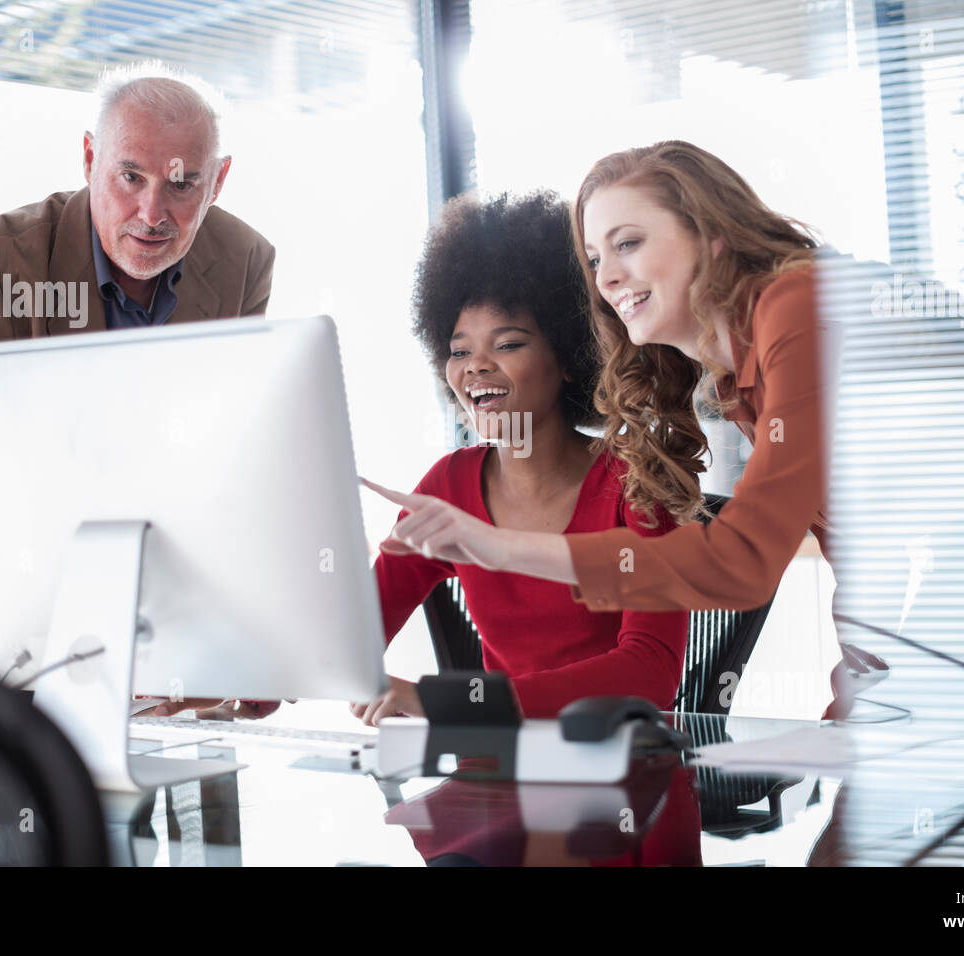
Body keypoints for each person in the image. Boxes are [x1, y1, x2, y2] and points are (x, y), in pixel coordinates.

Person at [365, 141, 877, 718]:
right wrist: (859, 715)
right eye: (593, 259)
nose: (607, 279)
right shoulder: (742, 384)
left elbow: (741, 565)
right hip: (930, 671)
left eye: (627, 243)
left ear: (711, 235)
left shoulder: (796, 314)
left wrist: (497, 553)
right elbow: (870, 571)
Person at [0, 63, 276, 666]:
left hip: (166, 632)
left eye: (183, 185)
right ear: (88, 158)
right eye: (130, 176)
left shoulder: (242, 262)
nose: (153, 213)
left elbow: (223, 464)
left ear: (219, 181)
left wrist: (242, 650)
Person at [350, 191, 690, 725]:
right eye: (459, 351)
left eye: (507, 345)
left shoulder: (634, 484)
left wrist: (449, 702)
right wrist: (247, 690)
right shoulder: (449, 486)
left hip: (625, 777)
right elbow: (351, 639)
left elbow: (649, 675)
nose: (475, 368)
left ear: (570, 357)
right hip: (502, 773)